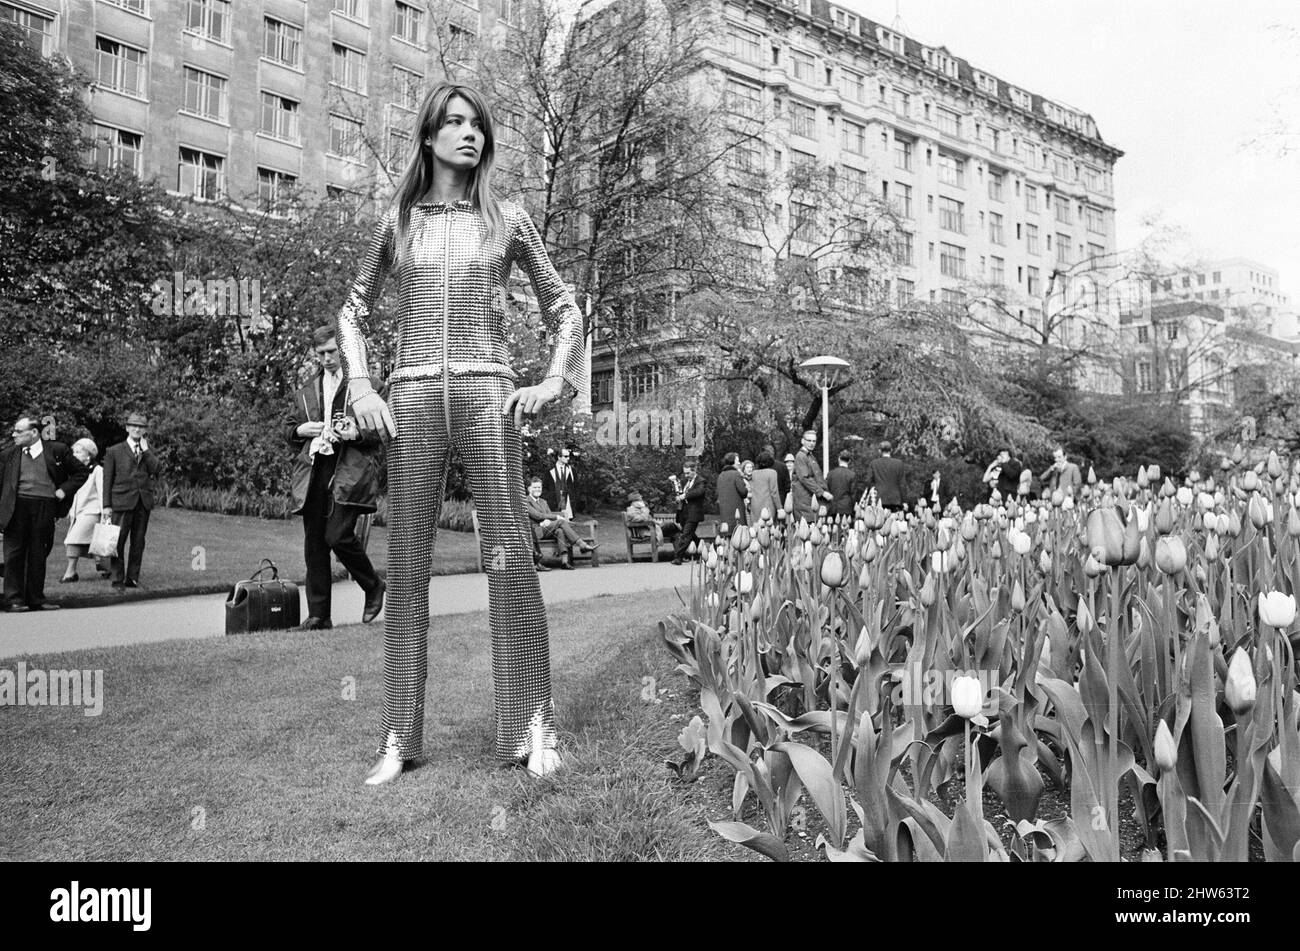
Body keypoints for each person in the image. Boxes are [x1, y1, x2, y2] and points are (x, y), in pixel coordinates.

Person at [338, 82, 586, 783]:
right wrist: (359, 382)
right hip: (411, 393)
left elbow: (564, 308)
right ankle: (398, 737)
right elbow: (353, 309)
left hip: (488, 391)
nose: (468, 133)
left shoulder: (508, 220)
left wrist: (552, 379)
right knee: (407, 565)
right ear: (428, 136)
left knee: (509, 555)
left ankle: (532, 727)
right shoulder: (397, 224)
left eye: (477, 124)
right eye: (453, 123)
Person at [286, 324, 388, 630]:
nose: (327, 358)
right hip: (314, 469)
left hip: (350, 471)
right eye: (321, 353)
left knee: (338, 536)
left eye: (332, 351)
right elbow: (289, 427)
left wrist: (356, 432)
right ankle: (319, 616)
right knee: (314, 544)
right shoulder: (306, 390)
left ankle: (372, 585)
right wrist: (298, 431)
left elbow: (383, 430)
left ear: (344, 351)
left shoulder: (370, 387)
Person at [1, 413, 88, 612]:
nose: (14, 434)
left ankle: (36, 599)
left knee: (38, 552)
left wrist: (63, 490)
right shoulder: (8, 455)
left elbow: (81, 472)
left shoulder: (57, 451)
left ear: (33, 433)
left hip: (44, 506)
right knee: (14, 553)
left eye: (18, 431)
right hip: (16, 507)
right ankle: (14, 599)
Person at [101, 412, 162, 592]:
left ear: (144, 430)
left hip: (143, 502)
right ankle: (117, 578)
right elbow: (107, 479)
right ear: (127, 428)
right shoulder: (114, 451)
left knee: (138, 541)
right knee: (117, 541)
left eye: (141, 427)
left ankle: (132, 578)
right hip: (121, 500)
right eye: (134, 426)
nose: (137, 429)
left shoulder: (146, 450)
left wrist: (146, 450)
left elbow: (157, 469)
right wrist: (106, 505)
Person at [60, 438, 107, 583]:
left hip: (92, 512)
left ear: (89, 455)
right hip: (77, 513)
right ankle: (107, 567)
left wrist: (105, 512)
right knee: (88, 542)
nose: (74, 454)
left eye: (78, 452)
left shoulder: (98, 470)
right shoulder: (75, 472)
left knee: (73, 539)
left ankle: (70, 572)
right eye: (74, 451)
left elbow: (102, 491)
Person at [525, 476, 596, 569]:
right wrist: (555, 517)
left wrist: (548, 521)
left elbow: (548, 515)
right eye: (535, 487)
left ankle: (564, 562)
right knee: (561, 522)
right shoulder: (526, 501)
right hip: (534, 531)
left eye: (539, 487)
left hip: (546, 529)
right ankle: (581, 545)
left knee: (560, 531)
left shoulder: (543, 502)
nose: (537, 489)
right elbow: (537, 516)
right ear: (529, 489)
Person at [792, 430, 833, 523]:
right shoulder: (801, 456)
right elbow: (805, 478)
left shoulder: (810, 456)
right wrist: (822, 493)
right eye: (809, 440)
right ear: (802, 441)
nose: (811, 443)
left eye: (814, 441)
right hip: (805, 504)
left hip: (812, 502)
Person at [671, 460, 705, 564]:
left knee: (686, 535)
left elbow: (699, 492)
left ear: (694, 470)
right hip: (684, 512)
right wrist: (679, 497)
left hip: (694, 513)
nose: (686, 475)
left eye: (688, 473)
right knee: (691, 535)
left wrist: (684, 495)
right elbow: (684, 494)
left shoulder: (700, 481)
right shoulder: (687, 482)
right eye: (684, 473)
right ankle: (705, 552)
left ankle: (678, 557)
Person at [864, 441, 908, 512]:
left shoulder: (874, 464)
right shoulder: (899, 464)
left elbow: (868, 481)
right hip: (895, 500)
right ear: (891, 450)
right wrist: (904, 501)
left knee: (879, 521)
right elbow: (902, 484)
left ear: (879, 451)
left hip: (879, 499)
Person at [716, 452, 749, 527]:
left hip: (724, 510)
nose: (739, 463)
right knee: (738, 531)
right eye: (737, 461)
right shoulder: (736, 474)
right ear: (732, 462)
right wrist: (746, 487)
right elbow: (743, 492)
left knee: (727, 532)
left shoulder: (721, 475)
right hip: (736, 509)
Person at [542, 446, 576, 519]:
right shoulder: (549, 470)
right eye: (566, 456)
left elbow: (575, 486)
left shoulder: (571, 470)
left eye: (568, 456)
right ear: (559, 457)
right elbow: (544, 487)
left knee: (568, 523)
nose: (568, 458)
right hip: (553, 503)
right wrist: (549, 498)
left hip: (568, 503)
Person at [749, 450, 782, 523]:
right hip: (768, 505)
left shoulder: (754, 473)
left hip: (755, 505)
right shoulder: (772, 473)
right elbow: (774, 492)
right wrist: (779, 508)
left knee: (756, 529)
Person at [826, 450, 857, 519]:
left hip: (832, 507)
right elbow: (853, 495)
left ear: (839, 459)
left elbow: (826, 489)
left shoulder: (830, 474)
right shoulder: (852, 475)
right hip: (846, 508)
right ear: (849, 461)